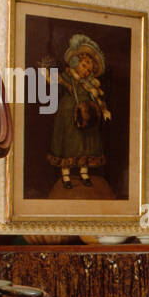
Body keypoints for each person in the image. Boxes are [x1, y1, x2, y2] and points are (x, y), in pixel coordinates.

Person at [46, 34, 110, 188]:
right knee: (68, 144)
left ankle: (84, 173)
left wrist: (104, 110)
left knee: (86, 144)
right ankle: (66, 176)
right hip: (68, 113)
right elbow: (54, 80)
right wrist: (46, 72)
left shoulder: (91, 85)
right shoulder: (70, 77)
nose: (86, 71)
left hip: (87, 114)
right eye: (83, 66)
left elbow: (97, 99)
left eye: (89, 70)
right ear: (75, 63)